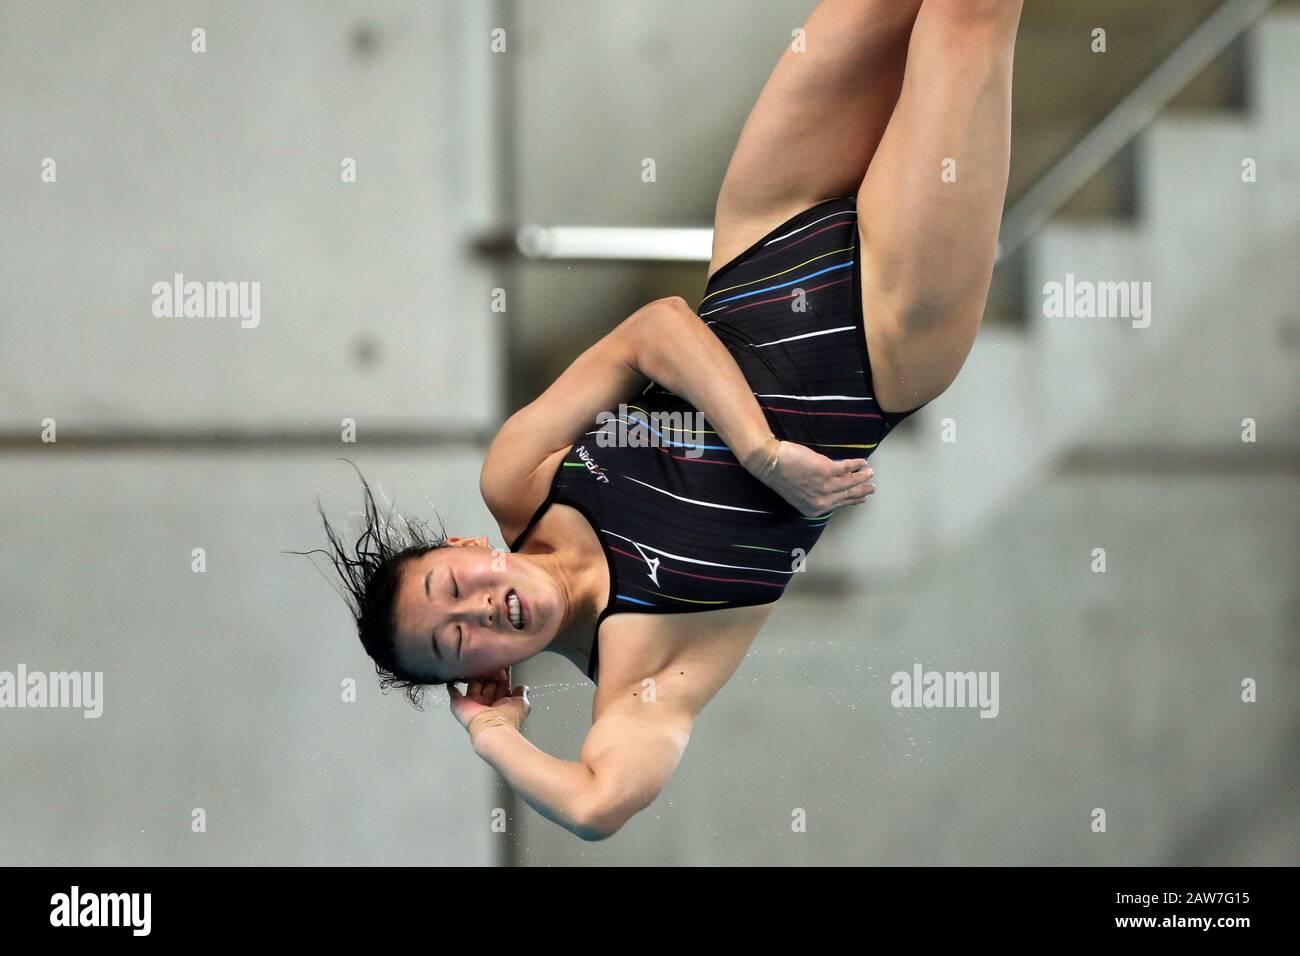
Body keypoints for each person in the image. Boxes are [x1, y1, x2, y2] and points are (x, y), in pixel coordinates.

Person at [312, 0, 1022, 840]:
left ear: (465, 550)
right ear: (480, 678)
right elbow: (596, 805)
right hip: (885, 342)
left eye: (452, 591)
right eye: (456, 644)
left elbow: (655, 330)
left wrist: (759, 453)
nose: (479, 612)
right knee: (968, 16)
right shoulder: (640, 677)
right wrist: (492, 739)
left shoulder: (519, 475)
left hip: (764, 238)